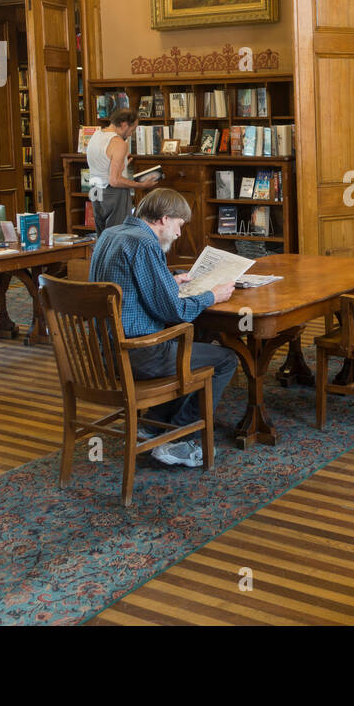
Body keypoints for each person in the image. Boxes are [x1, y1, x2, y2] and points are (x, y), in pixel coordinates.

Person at [89, 187, 239, 468]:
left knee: (186, 352)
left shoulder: (111, 234)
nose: (180, 234)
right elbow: (176, 312)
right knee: (225, 359)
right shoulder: (145, 244)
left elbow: (125, 283)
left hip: (102, 353)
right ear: (163, 219)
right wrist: (212, 296)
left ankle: (153, 425)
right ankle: (179, 439)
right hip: (135, 353)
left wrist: (170, 279)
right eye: (179, 226)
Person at [86, 108, 160, 232]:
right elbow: (114, 180)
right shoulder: (118, 143)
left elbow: (103, 162)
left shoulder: (96, 135)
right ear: (124, 125)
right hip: (113, 193)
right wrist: (140, 185)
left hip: (95, 190)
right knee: (118, 235)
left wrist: (123, 162)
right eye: (132, 129)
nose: (131, 134)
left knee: (103, 235)